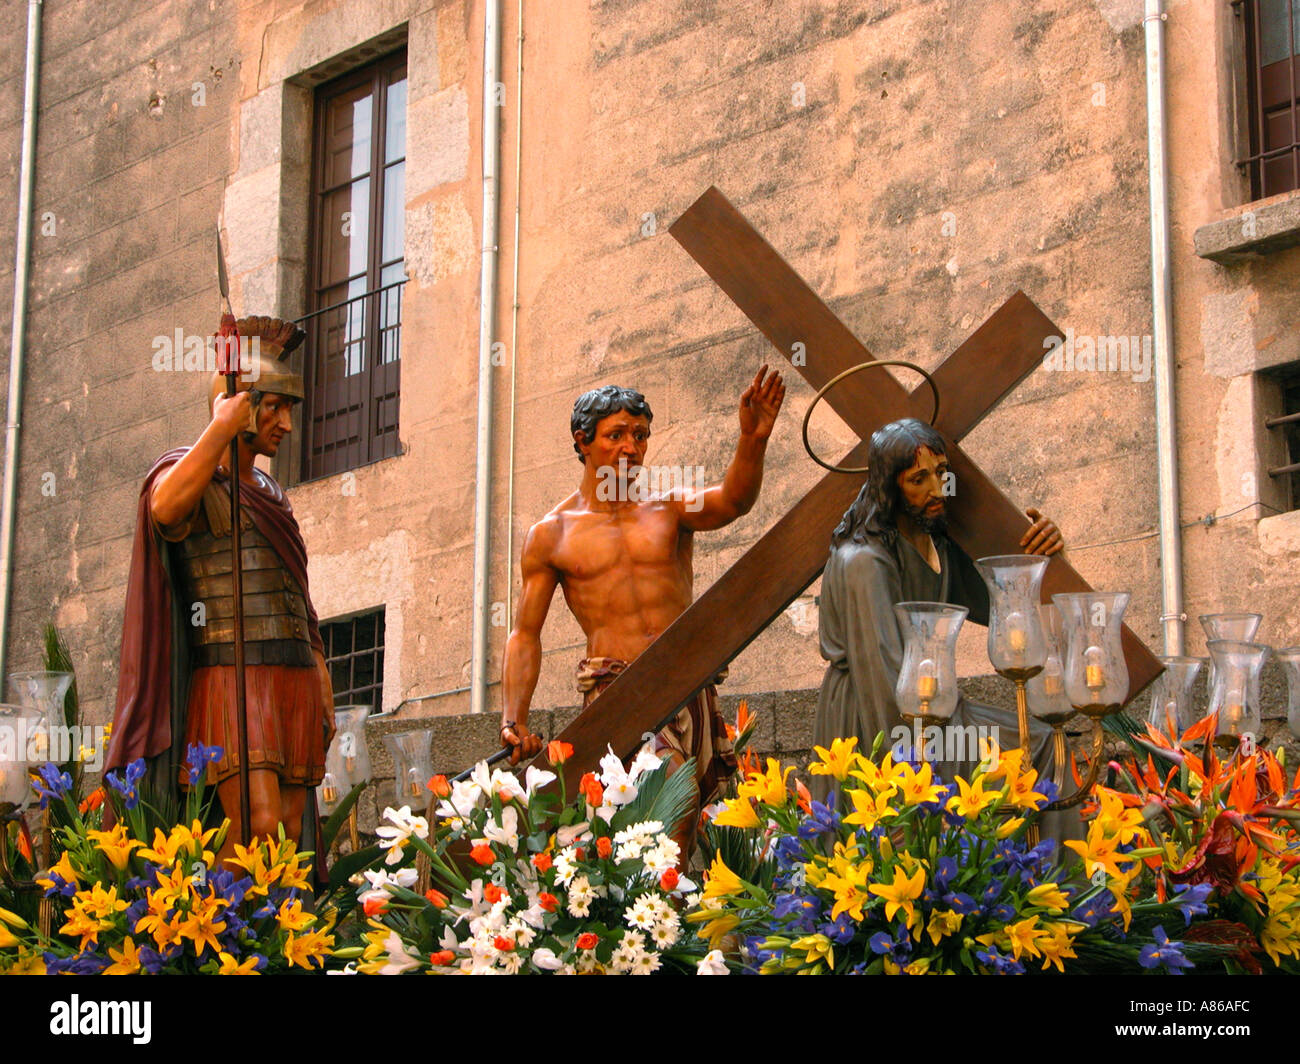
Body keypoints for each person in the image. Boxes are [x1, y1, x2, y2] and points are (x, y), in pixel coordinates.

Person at [501, 368, 785, 858]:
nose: (630, 448)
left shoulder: (668, 506)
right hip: (620, 696)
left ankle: (680, 929)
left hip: (689, 687)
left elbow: (733, 500)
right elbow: (526, 634)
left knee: (706, 832)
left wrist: (752, 439)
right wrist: (514, 720)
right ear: (582, 442)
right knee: (672, 803)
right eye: (616, 436)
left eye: (641, 435)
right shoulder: (552, 534)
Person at [104, 317, 334, 864]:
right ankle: (243, 939)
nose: (285, 423)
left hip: (292, 670)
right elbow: (163, 509)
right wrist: (217, 431)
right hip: (232, 673)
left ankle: (285, 940)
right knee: (254, 825)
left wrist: (320, 671)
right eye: (273, 406)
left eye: (289, 410)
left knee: (289, 835)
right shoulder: (190, 474)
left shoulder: (272, 492)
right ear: (239, 406)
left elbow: (299, 599)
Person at [814, 417, 1079, 838]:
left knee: (1048, 745)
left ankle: (1049, 889)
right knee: (1040, 746)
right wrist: (909, 788)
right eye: (919, 479)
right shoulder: (862, 562)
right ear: (890, 486)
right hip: (878, 720)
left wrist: (1046, 555)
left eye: (941, 473)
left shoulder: (935, 544)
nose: (937, 489)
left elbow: (1010, 609)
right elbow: (882, 681)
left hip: (932, 706)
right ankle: (1049, 890)